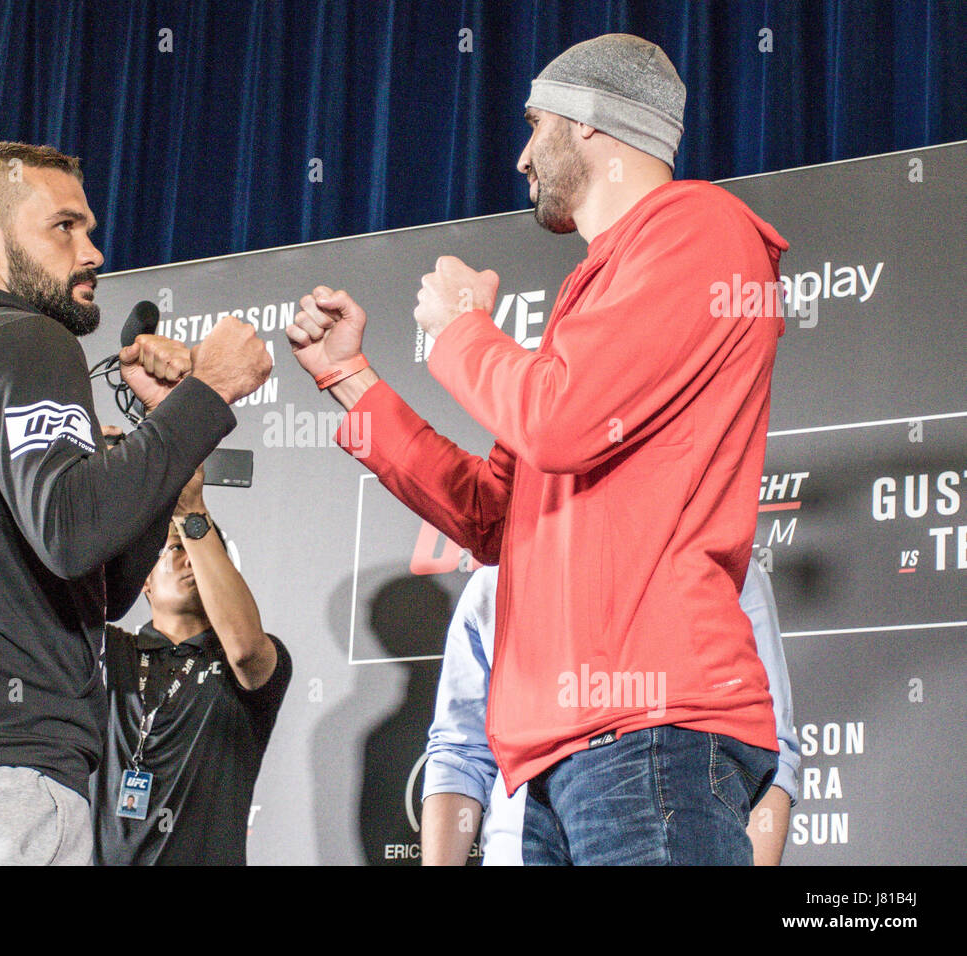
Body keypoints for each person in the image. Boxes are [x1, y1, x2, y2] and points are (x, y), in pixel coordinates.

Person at [286, 34, 790, 864]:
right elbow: (492, 516)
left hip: (652, 732)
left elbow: (561, 420)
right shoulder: (595, 288)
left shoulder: (697, 228)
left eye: (533, 123)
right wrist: (350, 383)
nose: (521, 156)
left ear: (592, 125)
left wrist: (460, 330)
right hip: (568, 757)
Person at [0, 141, 272, 865]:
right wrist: (209, 393)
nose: (94, 251)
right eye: (64, 228)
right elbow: (72, 530)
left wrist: (160, 432)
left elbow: (99, 587)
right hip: (0, 781)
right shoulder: (26, 336)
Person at [421, 561, 802, 865]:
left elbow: (770, 742)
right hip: (519, 846)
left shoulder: (721, 562)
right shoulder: (494, 577)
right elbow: (460, 756)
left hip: (672, 830)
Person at [95, 467, 290, 865]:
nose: (193, 560)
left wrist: (191, 514)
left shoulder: (246, 661)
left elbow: (245, 652)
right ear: (144, 580)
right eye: (177, 547)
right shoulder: (107, 649)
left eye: (202, 547)